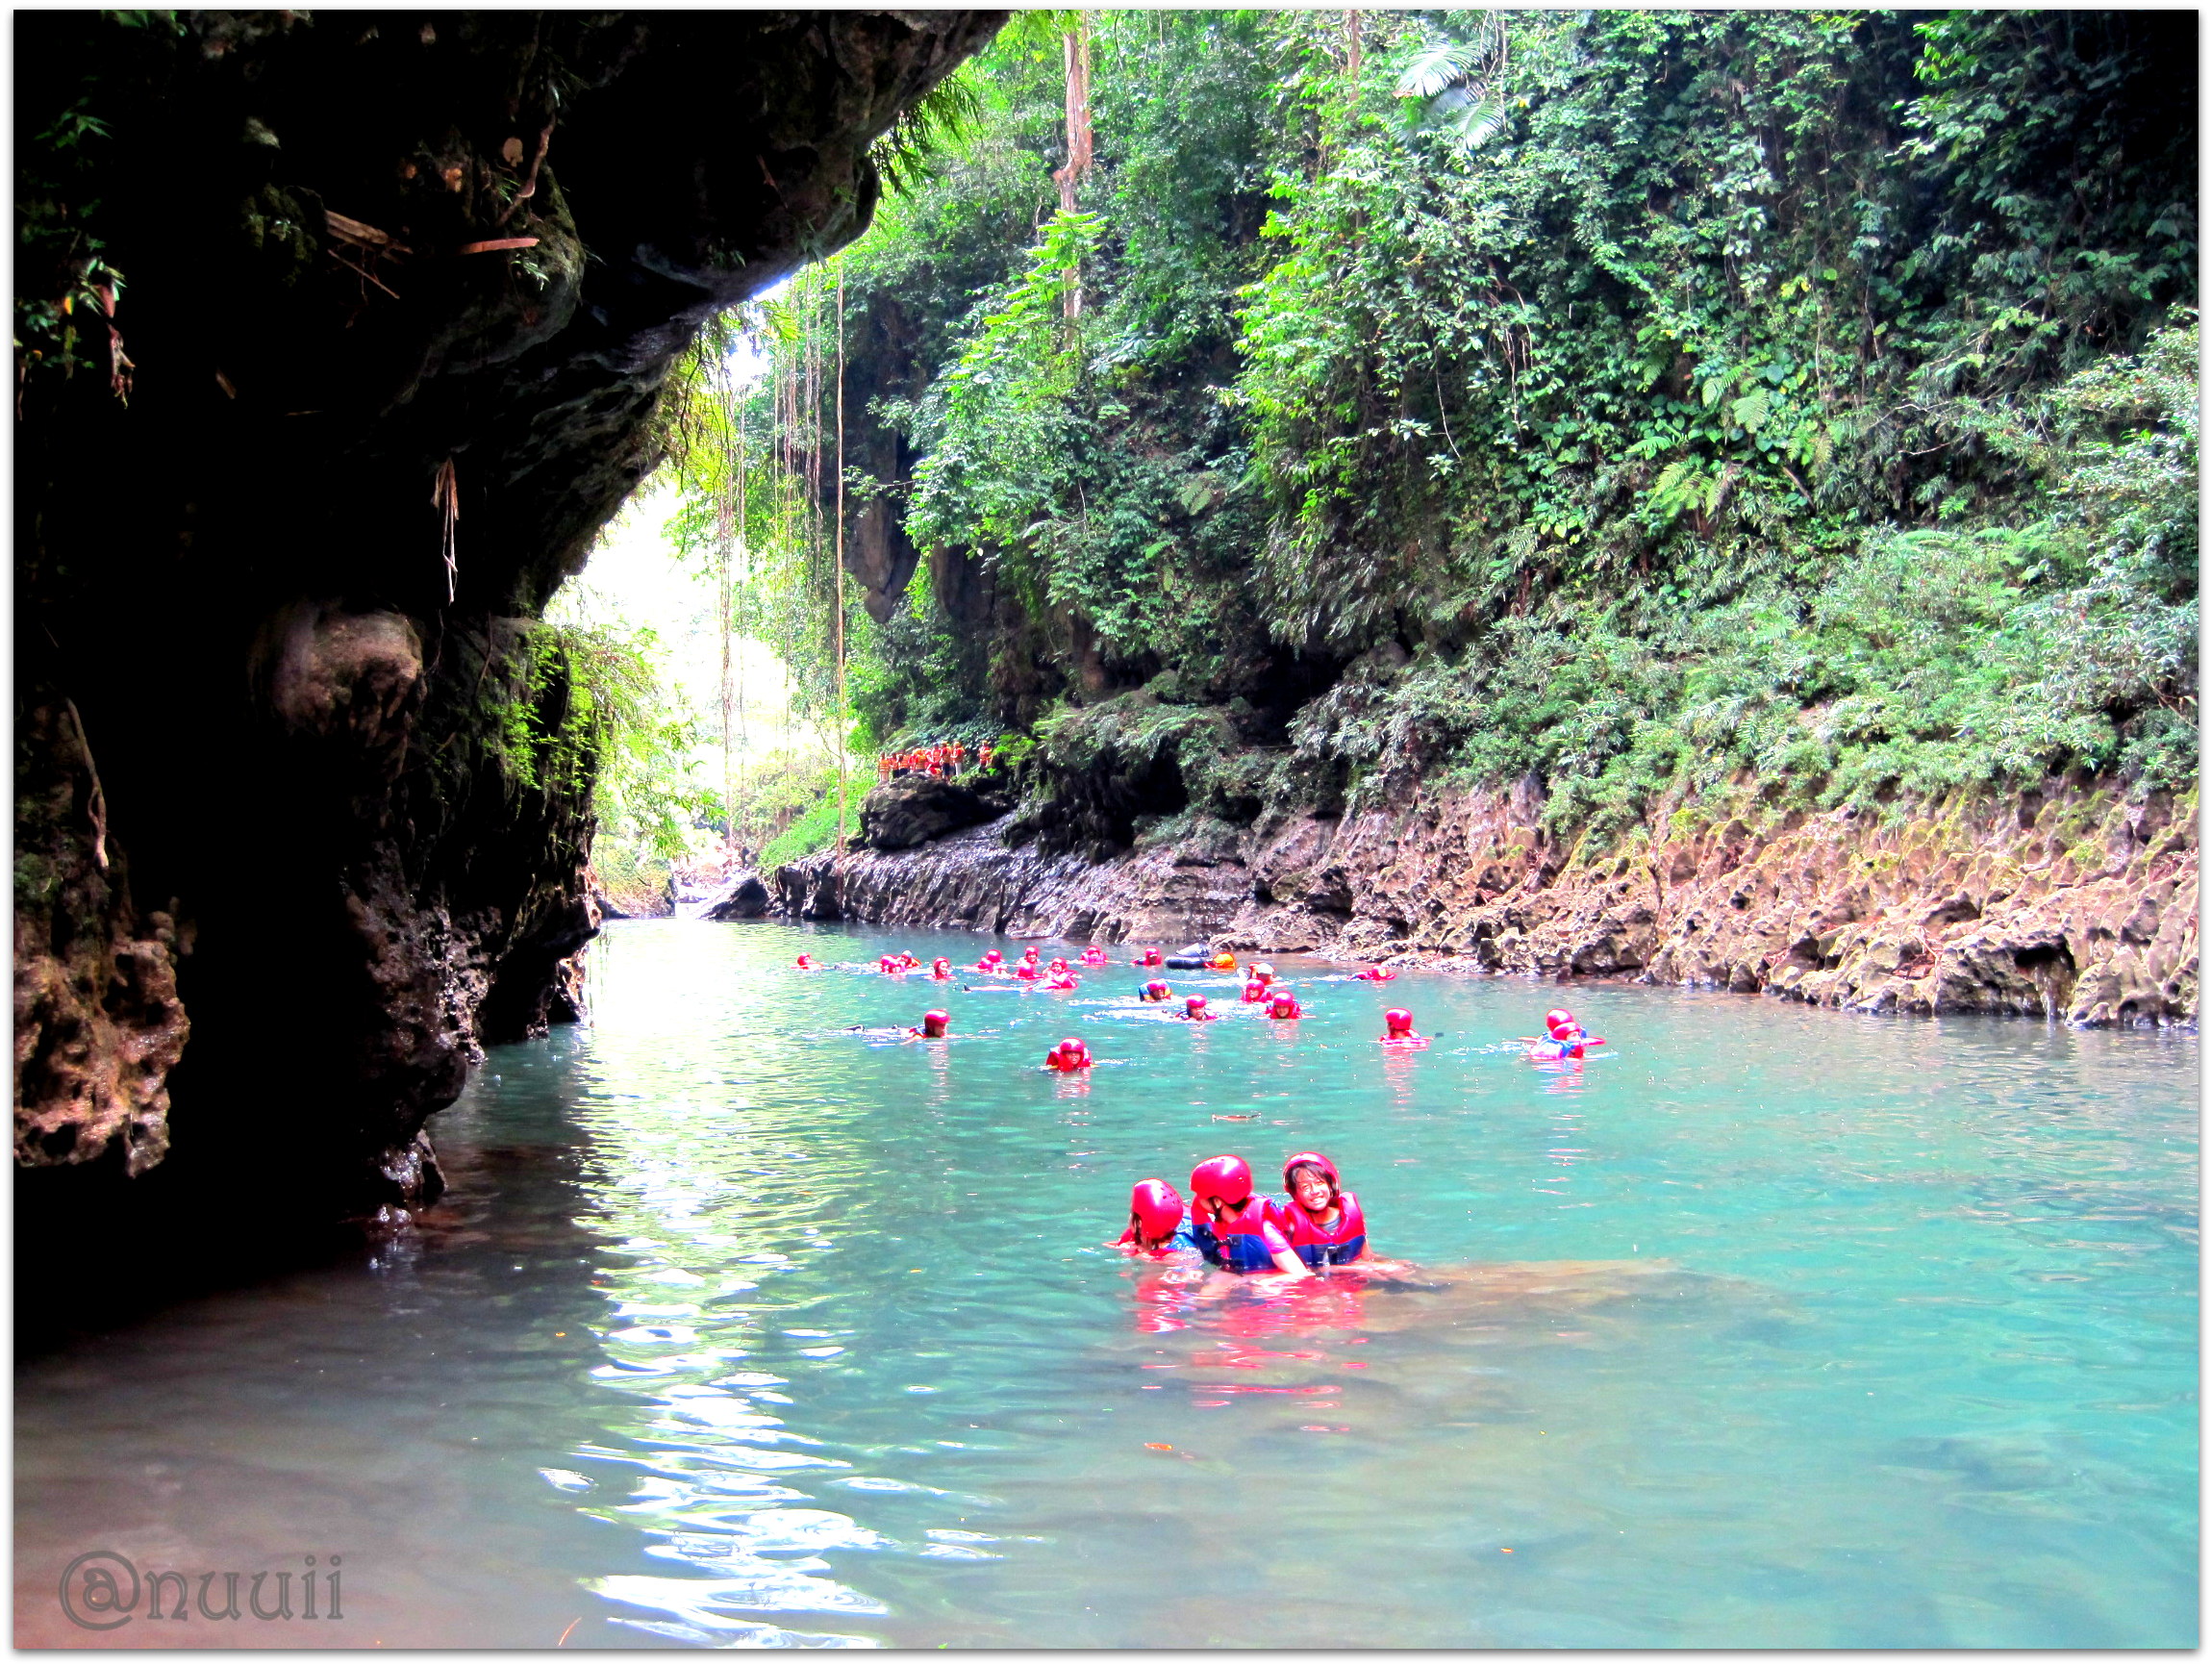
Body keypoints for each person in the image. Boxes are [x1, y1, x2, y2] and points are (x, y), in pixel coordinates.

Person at [1187, 1155, 1309, 1276]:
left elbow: (1300, 1274)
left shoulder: (1265, 1231)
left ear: (1217, 1202)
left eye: (1200, 1195)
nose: (1197, 1199)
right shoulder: (1220, 1225)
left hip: (1264, 1287)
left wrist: (1268, 1281)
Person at [1275, 1151, 1368, 1269]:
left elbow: (1367, 1257)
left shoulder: (1350, 1217)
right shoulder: (1290, 1226)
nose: (1315, 1191)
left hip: (1351, 1279)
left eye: (1319, 1183)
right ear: (1295, 1194)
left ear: (1331, 1185)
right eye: (1305, 1187)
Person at [1115, 1178, 1195, 1254]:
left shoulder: (1176, 1252)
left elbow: (1190, 1267)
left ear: (1139, 1223)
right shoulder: (1133, 1236)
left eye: (1132, 1212)